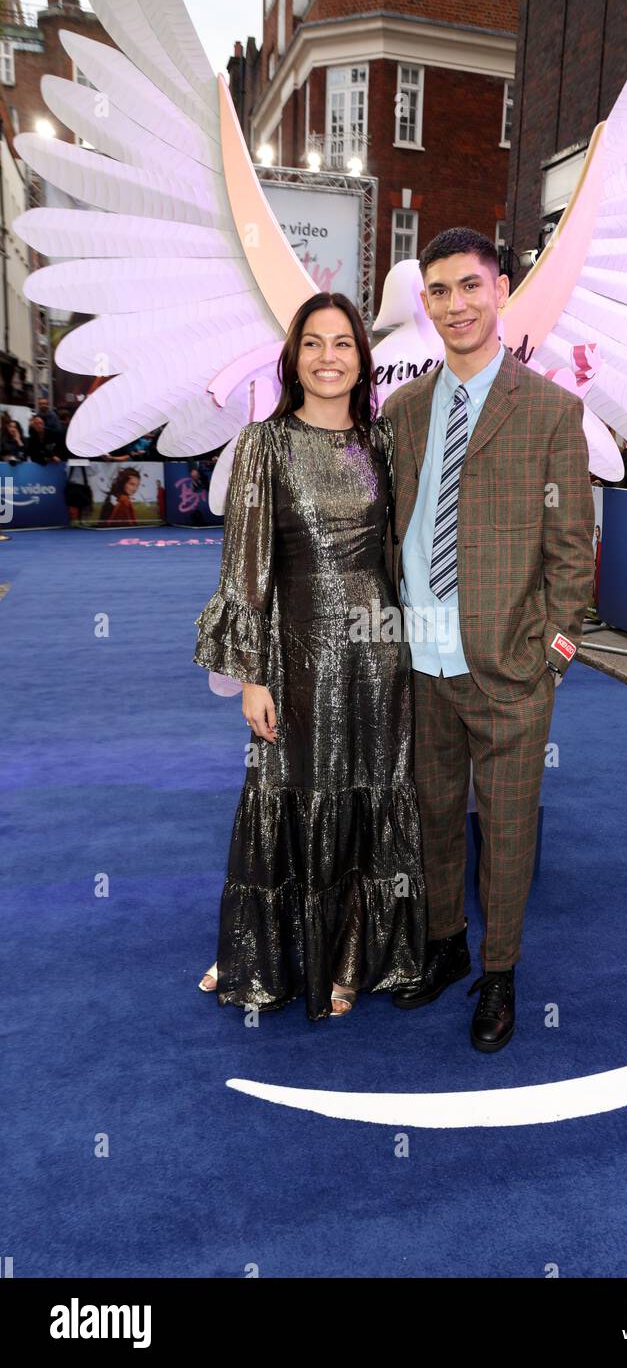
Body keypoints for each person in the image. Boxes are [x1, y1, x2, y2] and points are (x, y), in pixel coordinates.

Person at [382, 227, 594, 1053]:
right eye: (438, 290)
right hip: (419, 662)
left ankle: (498, 974)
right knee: (433, 815)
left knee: (506, 831)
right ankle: (444, 946)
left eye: (469, 285)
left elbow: (572, 551)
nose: (455, 304)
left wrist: (550, 656)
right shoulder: (401, 412)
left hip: (509, 668)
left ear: (500, 290)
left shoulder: (548, 410)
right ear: (425, 302)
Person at [193, 291, 426, 1020]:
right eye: (313, 343)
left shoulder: (382, 442)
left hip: (376, 651)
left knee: (368, 789)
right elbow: (243, 569)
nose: (328, 357)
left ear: (363, 359)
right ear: (293, 357)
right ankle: (267, 948)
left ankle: (353, 954)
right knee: (286, 787)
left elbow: (408, 546)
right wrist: (251, 674)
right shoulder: (263, 442)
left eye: (343, 344)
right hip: (294, 654)